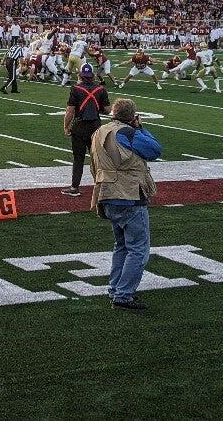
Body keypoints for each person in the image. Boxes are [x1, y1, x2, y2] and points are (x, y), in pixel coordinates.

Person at [89, 98, 162, 311]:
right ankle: (123, 294)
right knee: (138, 249)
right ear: (132, 117)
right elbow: (155, 150)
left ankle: (115, 288)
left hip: (106, 191)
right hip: (128, 194)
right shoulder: (128, 133)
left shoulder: (99, 131)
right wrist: (141, 127)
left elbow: (93, 163)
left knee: (121, 245)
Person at [61, 63, 110, 197]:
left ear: (80, 75)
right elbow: (107, 110)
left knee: (78, 159)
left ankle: (75, 187)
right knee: (97, 158)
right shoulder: (100, 89)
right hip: (95, 127)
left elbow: (70, 111)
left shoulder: (75, 89)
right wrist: (96, 108)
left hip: (79, 127)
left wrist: (66, 126)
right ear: (92, 76)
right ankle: (101, 188)